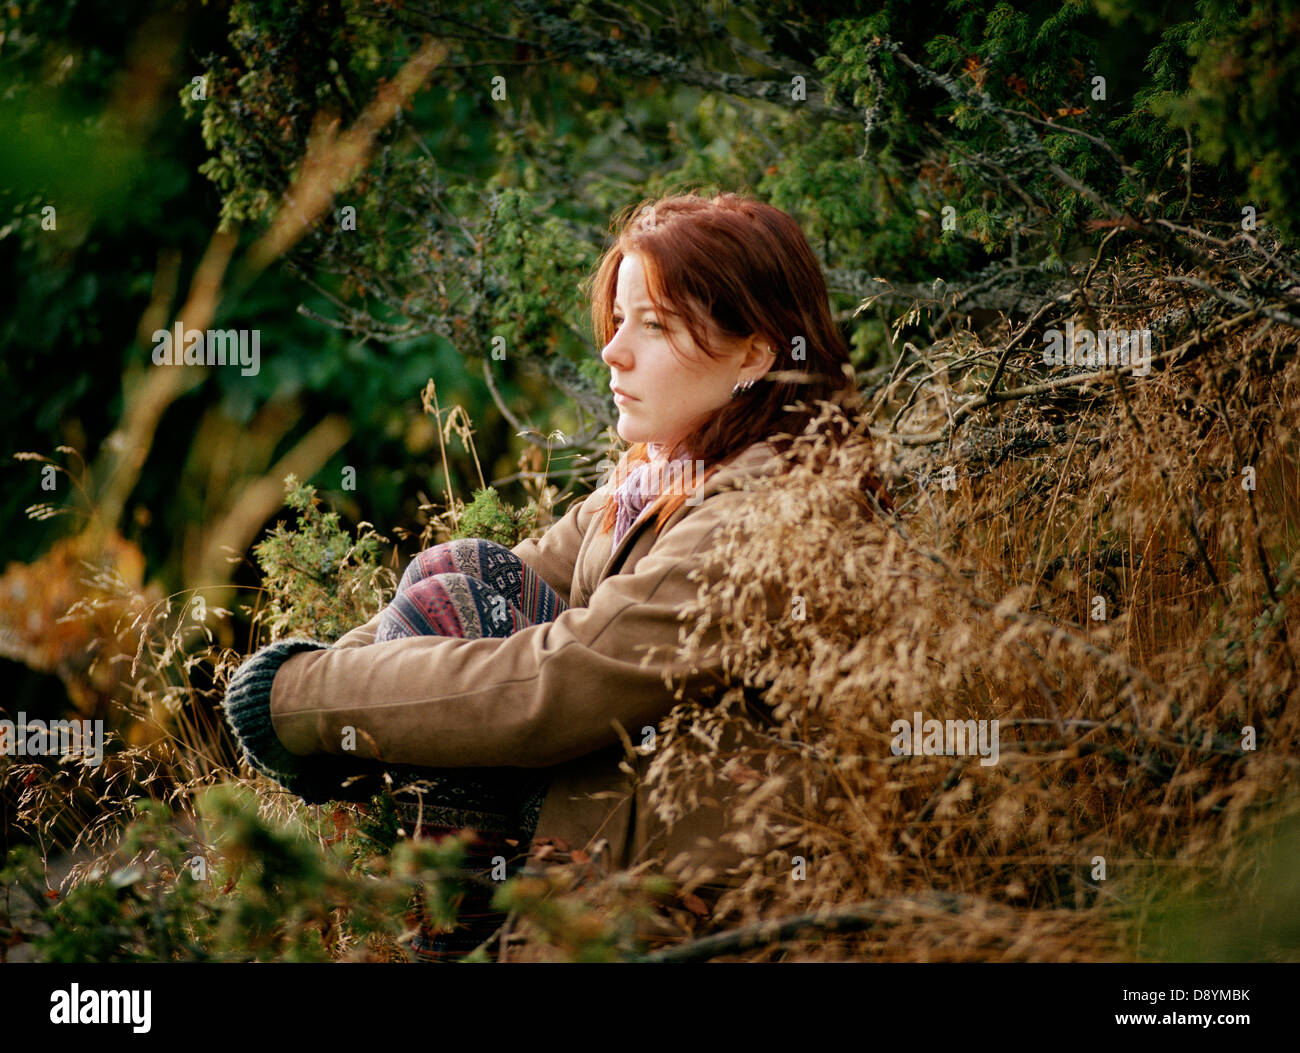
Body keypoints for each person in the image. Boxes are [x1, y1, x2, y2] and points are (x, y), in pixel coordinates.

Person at [222, 190, 893, 961]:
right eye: (621, 316)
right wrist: (316, 678)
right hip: (617, 819)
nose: (613, 349)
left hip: (692, 905)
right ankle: (456, 933)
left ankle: (458, 940)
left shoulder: (767, 514)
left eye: (657, 326)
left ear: (756, 351)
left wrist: (303, 699)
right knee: (461, 572)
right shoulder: (669, 473)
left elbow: (556, 685)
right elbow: (521, 568)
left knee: (471, 631)